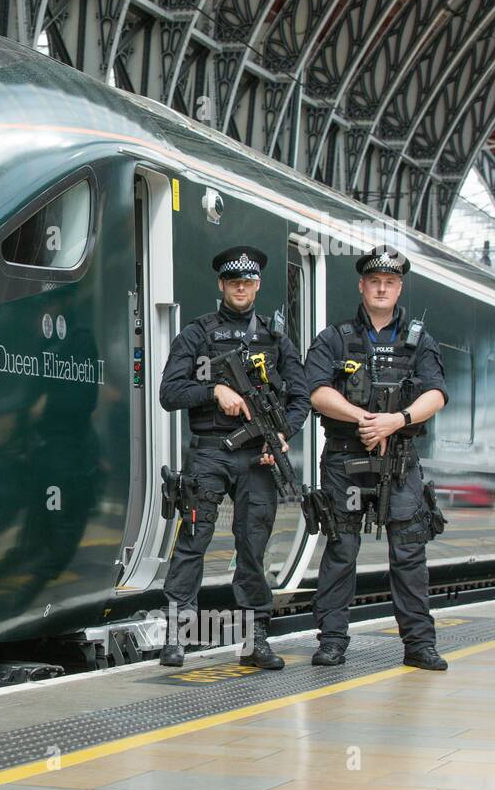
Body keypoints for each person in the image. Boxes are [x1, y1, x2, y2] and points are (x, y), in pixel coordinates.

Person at [157, 246, 310, 668]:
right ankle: (176, 636)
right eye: (233, 282)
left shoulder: (277, 338)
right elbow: (169, 393)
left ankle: (255, 640)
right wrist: (214, 392)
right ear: (221, 285)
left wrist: (282, 433)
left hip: (257, 459)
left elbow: (301, 398)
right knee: (193, 542)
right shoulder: (197, 333)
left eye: (248, 282)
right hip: (209, 454)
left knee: (253, 548)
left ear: (257, 285)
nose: (241, 288)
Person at [304, 246, 449, 671]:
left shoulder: (420, 340)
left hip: (399, 458)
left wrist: (395, 421)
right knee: (341, 548)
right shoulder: (335, 336)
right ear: (362, 286)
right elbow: (316, 390)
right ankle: (331, 642)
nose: (382, 288)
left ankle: (419, 646)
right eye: (374, 282)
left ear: (399, 288)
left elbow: (436, 394)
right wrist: (363, 417)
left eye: (390, 282)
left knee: (408, 553)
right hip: (346, 458)